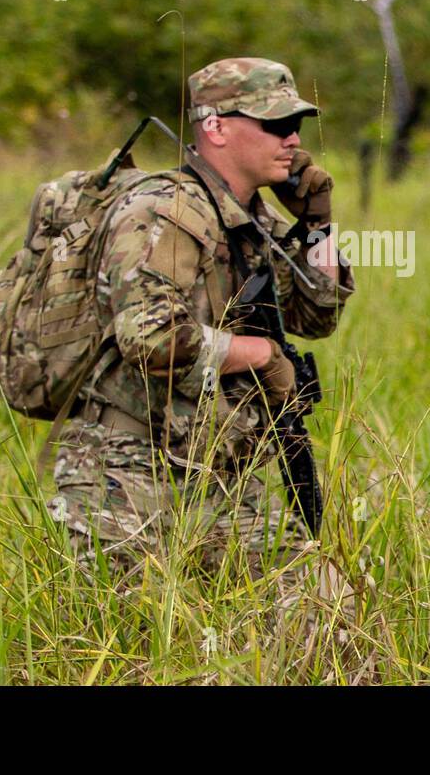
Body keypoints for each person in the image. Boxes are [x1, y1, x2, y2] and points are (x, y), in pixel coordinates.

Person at [47, 57, 355, 612]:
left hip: (222, 469)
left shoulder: (251, 220)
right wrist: (259, 354)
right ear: (215, 127)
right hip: (128, 471)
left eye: (297, 126)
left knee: (322, 615)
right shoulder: (164, 211)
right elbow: (149, 336)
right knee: (137, 648)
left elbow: (318, 315)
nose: (292, 139)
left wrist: (317, 226)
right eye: (274, 124)